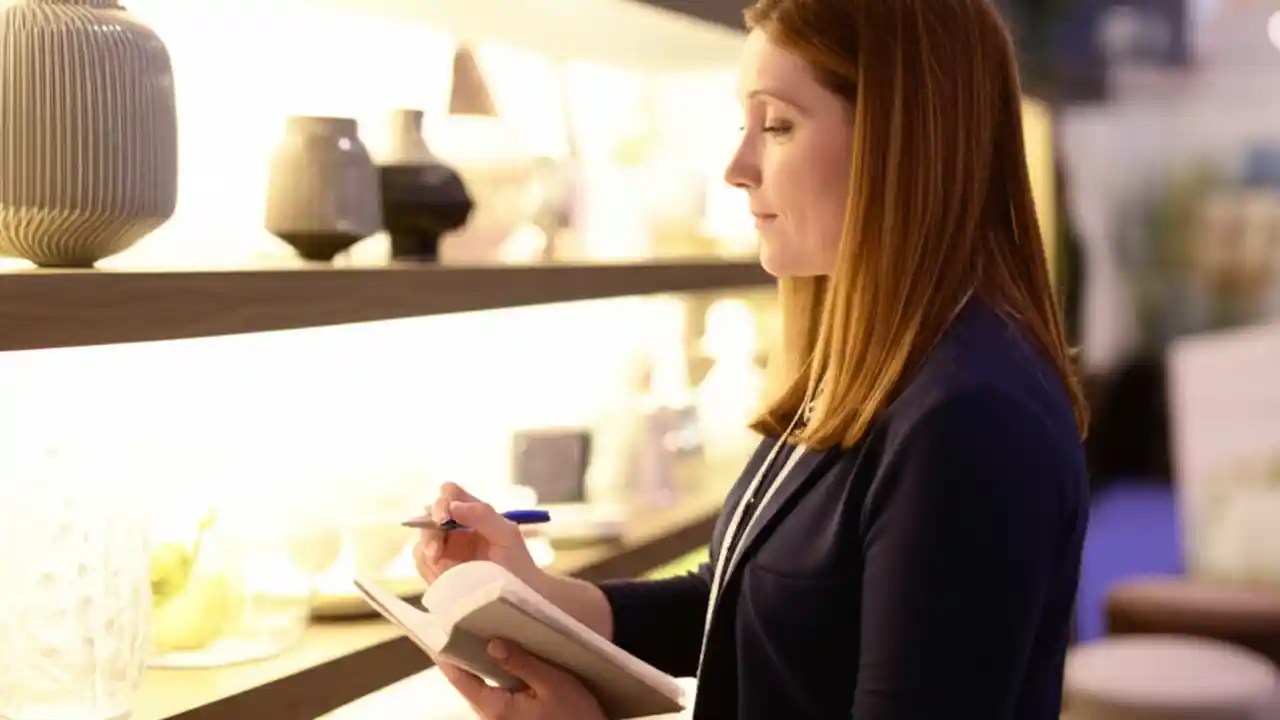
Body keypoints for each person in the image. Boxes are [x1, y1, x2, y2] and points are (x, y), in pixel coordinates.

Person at [414, 0, 1090, 717]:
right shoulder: (868, 367)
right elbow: (748, 601)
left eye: (778, 125)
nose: (737, 168)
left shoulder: (968, 422)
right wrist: (539, 601)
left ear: (903, 143)